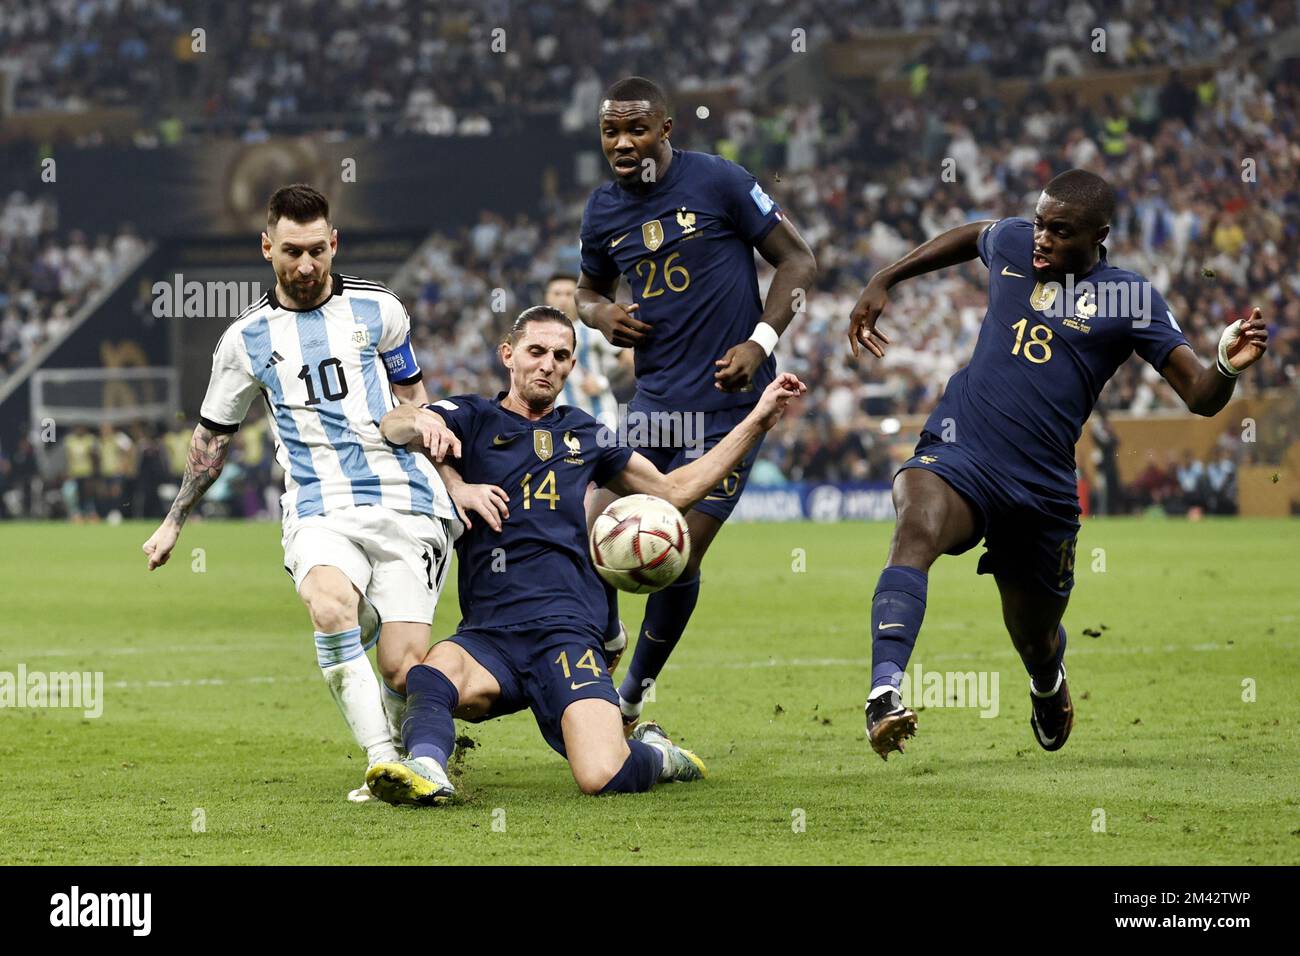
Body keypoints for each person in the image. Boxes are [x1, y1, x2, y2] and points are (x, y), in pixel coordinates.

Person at [848, 168, 1269, 759]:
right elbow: (975, 235)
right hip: (959, 446)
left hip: (1041, 488)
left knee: (1034, 635)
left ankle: (1047, 681)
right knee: (914, 527)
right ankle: (883, 694)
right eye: (1041, 223)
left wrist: (1225, 364)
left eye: (1060, 231)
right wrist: (887, 276)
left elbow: (1199, 397)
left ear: (1099, 236)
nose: (1041, 238)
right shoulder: (1017, 242)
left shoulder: (1129, 298)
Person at [369, 306, 805, 803]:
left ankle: (658, 754)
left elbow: (674, 490)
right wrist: (428, 430)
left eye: (560, 356)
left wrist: (759, 419)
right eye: (536, 352)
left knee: (601, 775)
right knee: (431, 673)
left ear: (572, 366)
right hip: (490, 636)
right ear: (508, 356)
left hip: (567, 633)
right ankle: (425, 766)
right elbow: (392, 424)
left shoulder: (588, 434)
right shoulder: (471, 416)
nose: (547, 365)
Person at [141, 183, 462, 801]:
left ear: (334, 242)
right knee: (329, 604)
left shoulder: (382, 311)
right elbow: (213, 439)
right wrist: (175, 520)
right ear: (267, 247)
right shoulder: (244, 342)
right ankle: (381, 762)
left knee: (401, 666)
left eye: (318, 249)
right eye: (292, 251)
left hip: (407, 502)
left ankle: (421, 747)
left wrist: (452, 480)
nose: (307, 265)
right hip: (318, 504)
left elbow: (415, 404)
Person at [575, 76, 817, 730]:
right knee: (591, 525)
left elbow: (798, 262)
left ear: (665, 130)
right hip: (653, 402)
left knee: (674, 551)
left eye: (636, 130)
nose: (623, 143)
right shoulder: (602, 211)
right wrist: (601, 316)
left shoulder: (719, 182)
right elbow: (586, 290)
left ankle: (630, 693)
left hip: (727, 409)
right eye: (610, 132)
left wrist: (760, 344)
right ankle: (605, 634)